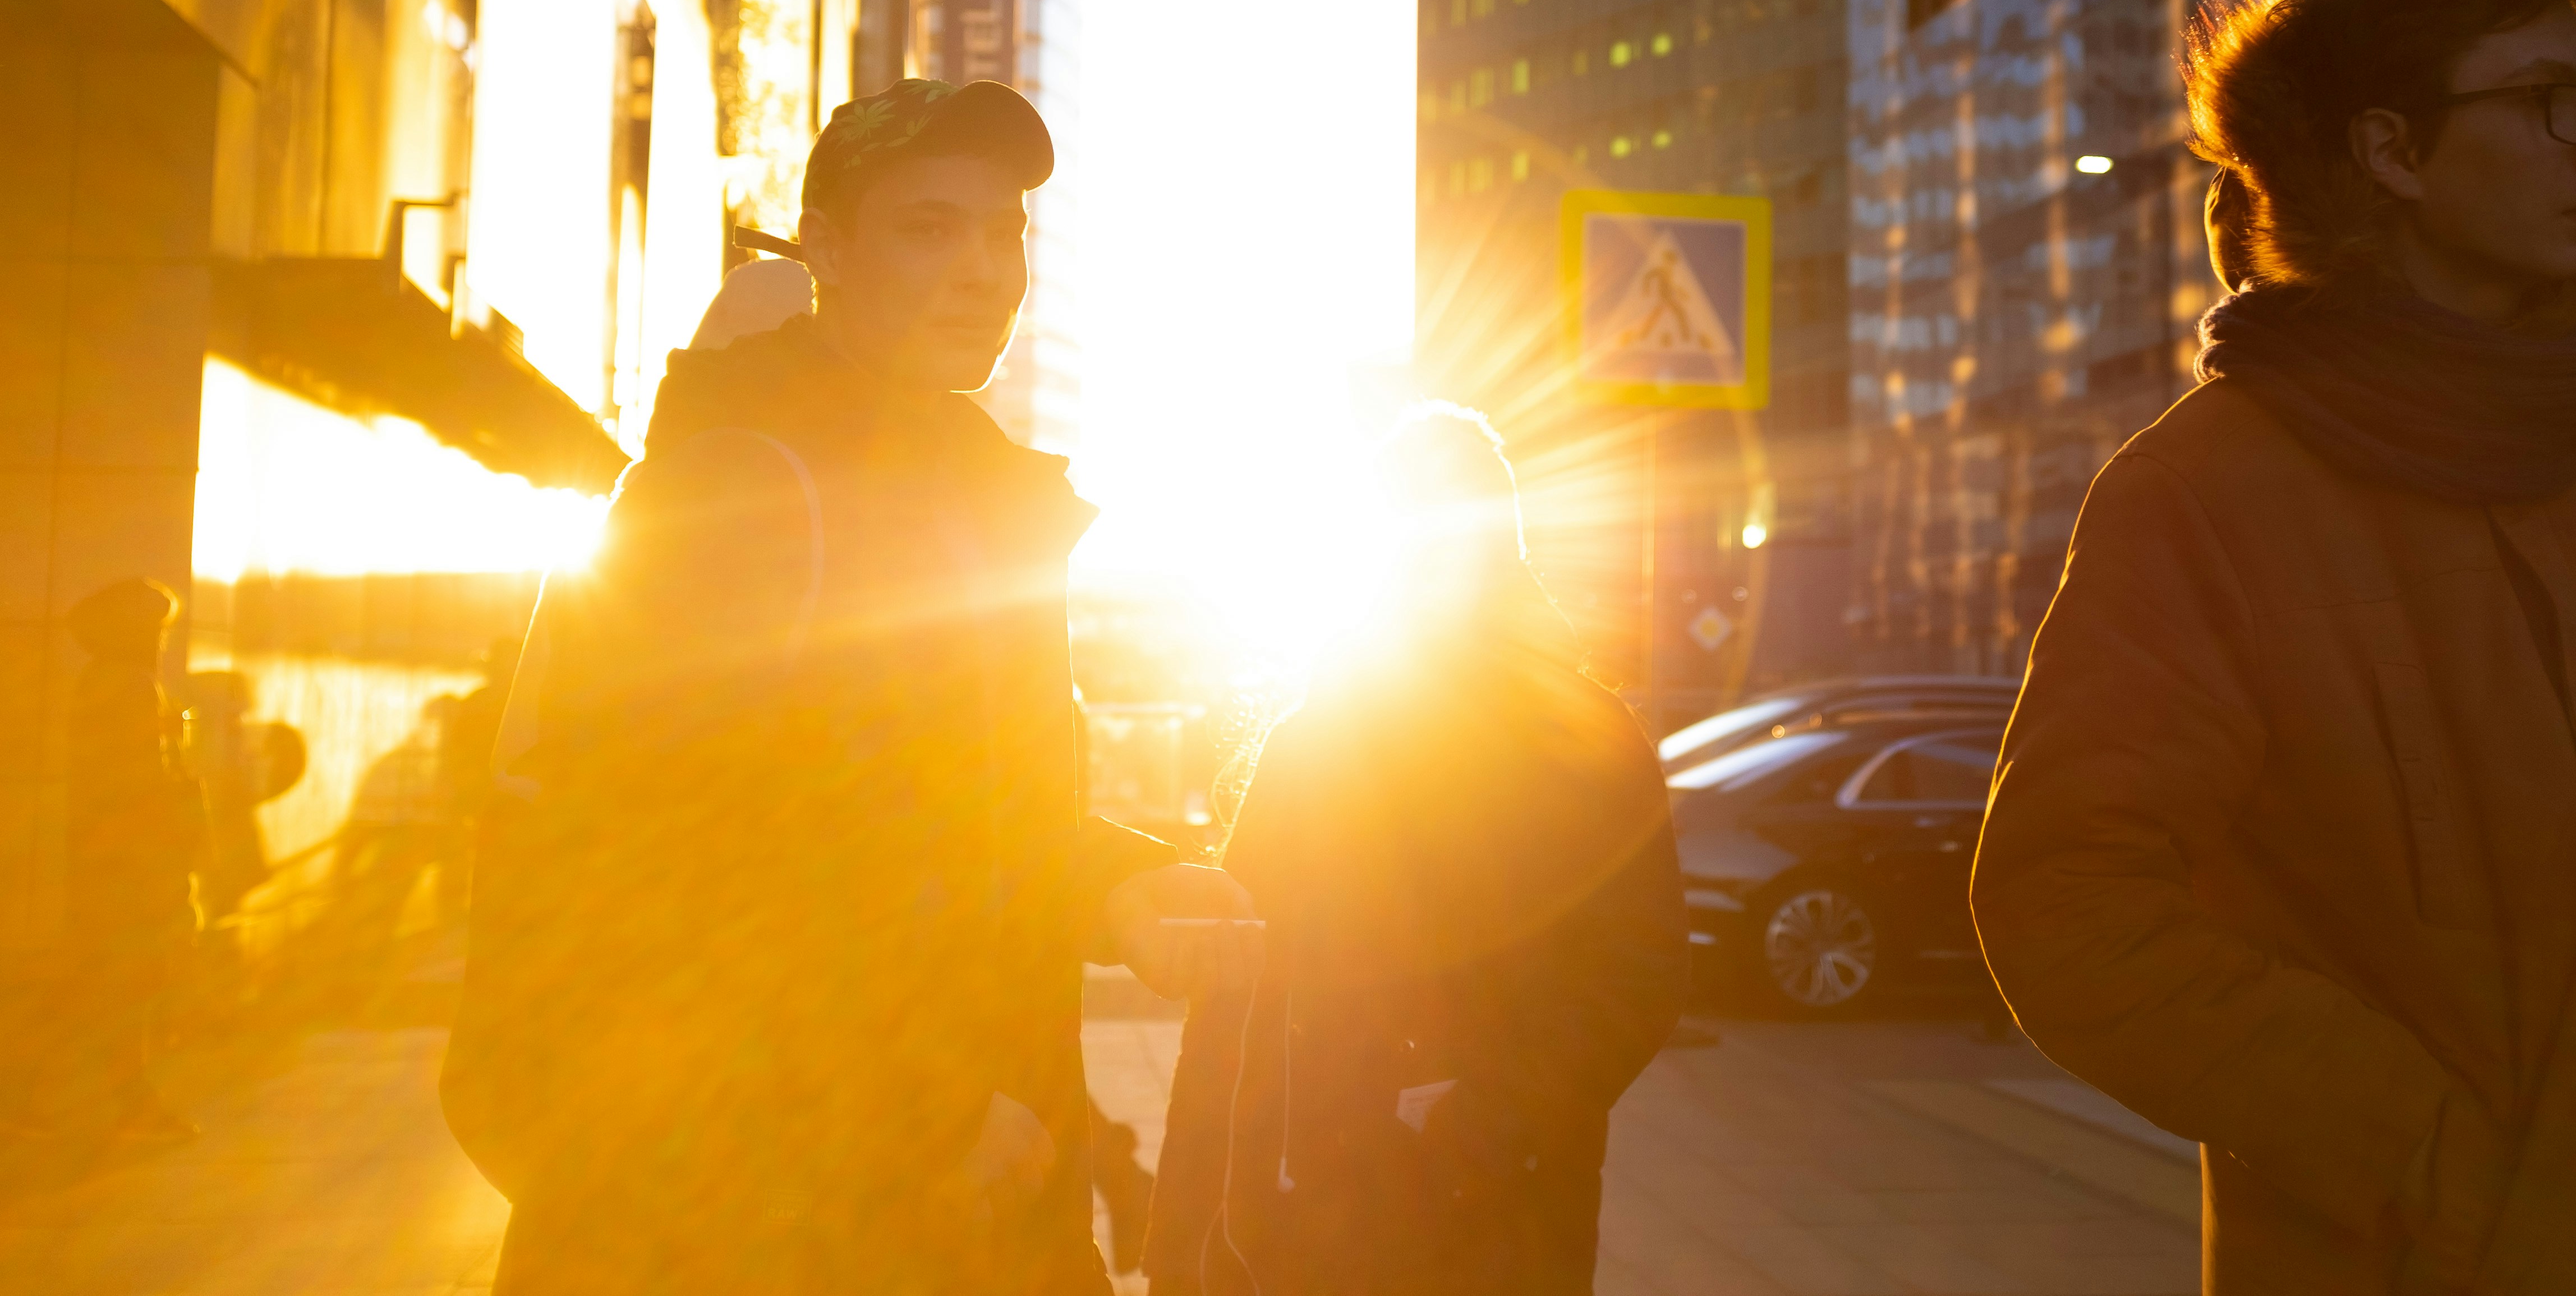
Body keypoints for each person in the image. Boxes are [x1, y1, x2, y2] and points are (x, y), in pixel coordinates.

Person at [1970, 0, 2576, 1292]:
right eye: (2540, 102)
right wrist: (2422, 1154)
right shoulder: (2205, 492)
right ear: (2391, 149)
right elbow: (2068, 899)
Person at [444, 79, 1261, 1294]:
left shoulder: (951, 487)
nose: (983, 269)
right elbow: (658, 866)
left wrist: (1116, 882)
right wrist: (918, 1117)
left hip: (952, 1190)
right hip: (754, 1212)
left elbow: (916, 813)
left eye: (1004, 231)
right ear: (825, 248)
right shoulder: (740, 489)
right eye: (929, 227)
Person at [1143, 406, 1684, 1295]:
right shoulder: (1314, 734)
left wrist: (1478, 1120)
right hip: (1289, 1227)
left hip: (1491, 1222)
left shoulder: (1583, 736)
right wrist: (1184, 1236)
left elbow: (1640, 971)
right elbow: (1230, 1006)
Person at [23, 578, 205, 1147]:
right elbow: (144, 785)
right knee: (119, 988)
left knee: (106, 987)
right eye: (154, 629)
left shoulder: (114, 683)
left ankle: (75, 1099)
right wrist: (171, 860)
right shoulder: (126, 687)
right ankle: (119, 1103)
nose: (161, 640)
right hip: (127, 868)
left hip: (116, 863)